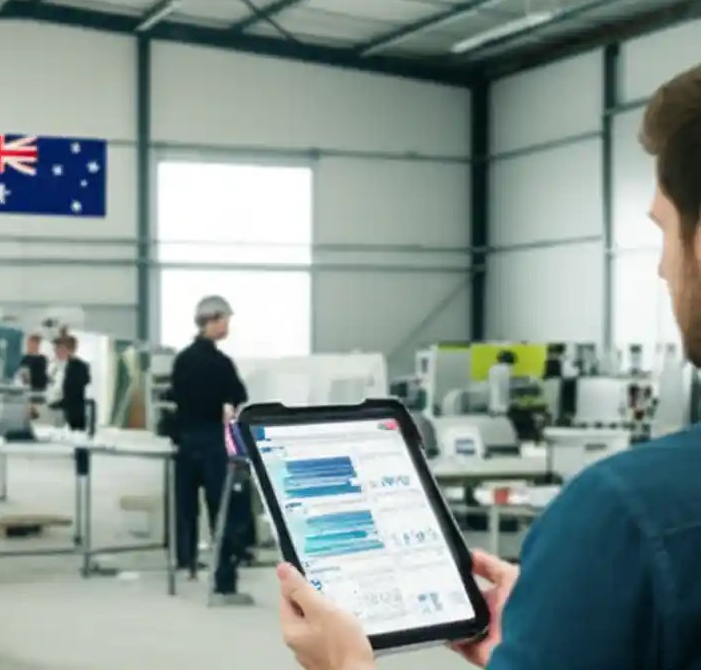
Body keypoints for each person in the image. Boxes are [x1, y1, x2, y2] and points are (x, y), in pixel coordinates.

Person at [276, 63, 701, 670]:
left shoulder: (622, 519)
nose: (662, 267)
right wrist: (541, 646)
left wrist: (343, 666)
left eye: (664, 231)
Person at [169, 295, 251, 603]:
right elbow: (239, 397)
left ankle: (186, 562)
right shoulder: (220, 363)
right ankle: (224, 578)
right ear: (212, 320)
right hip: (213, 442)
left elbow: (176, 397)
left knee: (186, 507)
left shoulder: (183, 360)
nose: (227, 325)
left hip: (186, 441)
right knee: (222, 509)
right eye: (225, 320)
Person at [47, 334, 90, 433]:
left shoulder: (79, 366)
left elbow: (74, 392)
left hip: (71, 413)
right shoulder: (55, 366)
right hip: (55, 411)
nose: (56, 351)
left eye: (59, 348)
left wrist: (57, 404)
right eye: (55, 348)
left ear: (68, 349)